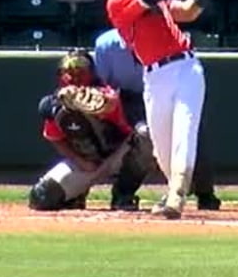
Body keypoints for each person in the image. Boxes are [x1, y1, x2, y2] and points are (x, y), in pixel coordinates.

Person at [102, 0, 227, 219]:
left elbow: (187, 12)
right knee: (160, 144)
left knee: (185, 127)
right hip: (155, 76)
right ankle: (173, 187)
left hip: (185, 68)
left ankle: (178, 194)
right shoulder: (117, 2)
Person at [93, 28, 220, 210]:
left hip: (164, 88)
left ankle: (205, 194)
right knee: (146, 137)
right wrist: (108, 99)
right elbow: (103, 85)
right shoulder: (105, 44)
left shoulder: (159, 36)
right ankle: (123, 193)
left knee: (189, 134)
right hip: (129, 100)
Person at [26, 50, 152, 212]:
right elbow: (54, 138)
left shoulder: (106, 94)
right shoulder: (56, 107)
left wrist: (94, 104)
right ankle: (75, 197)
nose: (75, 75)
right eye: (69, 70)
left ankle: (123, 194)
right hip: (87, 163)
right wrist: (79, 161)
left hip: (118, 157)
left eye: (81, 69)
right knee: (42, 197)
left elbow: (110, 102)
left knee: (145, 136)